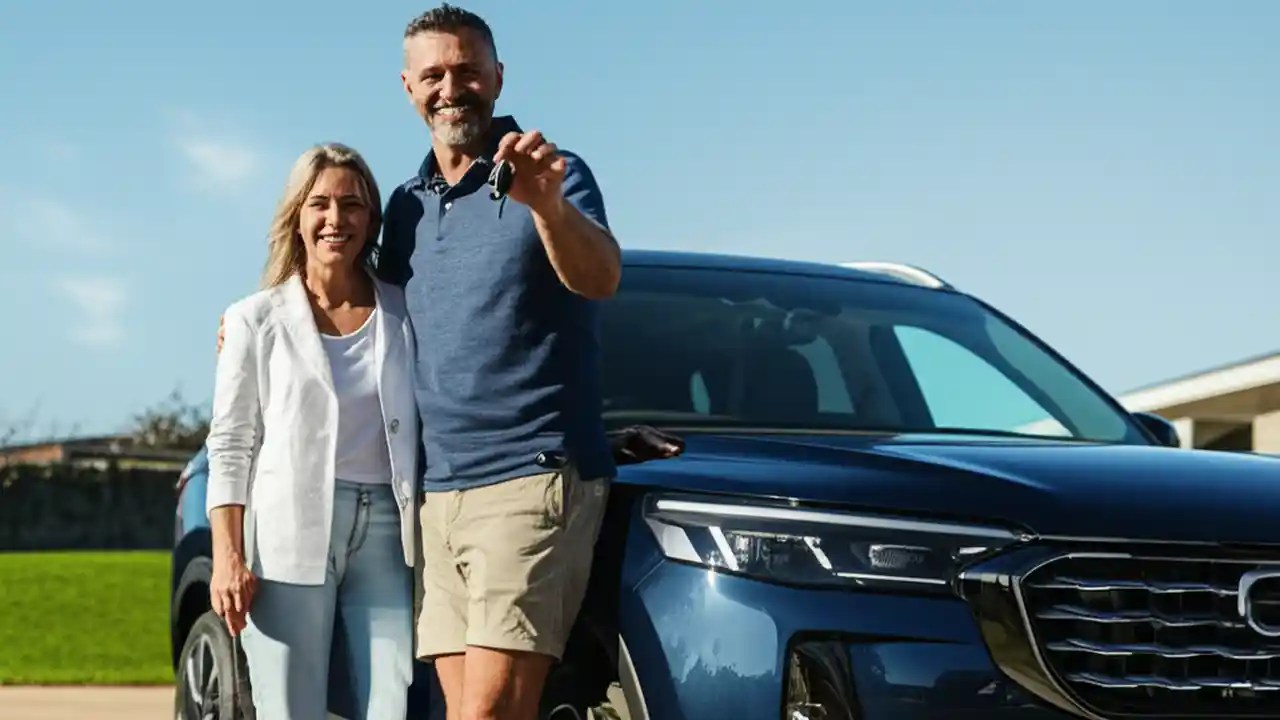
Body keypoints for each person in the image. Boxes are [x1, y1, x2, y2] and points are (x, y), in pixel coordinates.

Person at [374, 5, 638, 719]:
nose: (451, 88)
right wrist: (255, 326)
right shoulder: (405, 209)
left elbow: (600, 277)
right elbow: (362, 308)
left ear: (498, 76)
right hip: (439, 496)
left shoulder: (554, 173)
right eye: (434, 74)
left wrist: (546, 205)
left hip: (530, 477)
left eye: (467, 70)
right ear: (408, 87)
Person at [205, 143, 420, 720]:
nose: (335, 219)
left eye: (352, 205)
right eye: (319, 204)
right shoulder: (254, 318)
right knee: (290, 707)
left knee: (391, 703)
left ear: (371, 218)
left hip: (387, 532)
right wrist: (227, 555)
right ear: (296, 216)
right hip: (289, 533)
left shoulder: (405, 311)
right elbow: (230, 444)